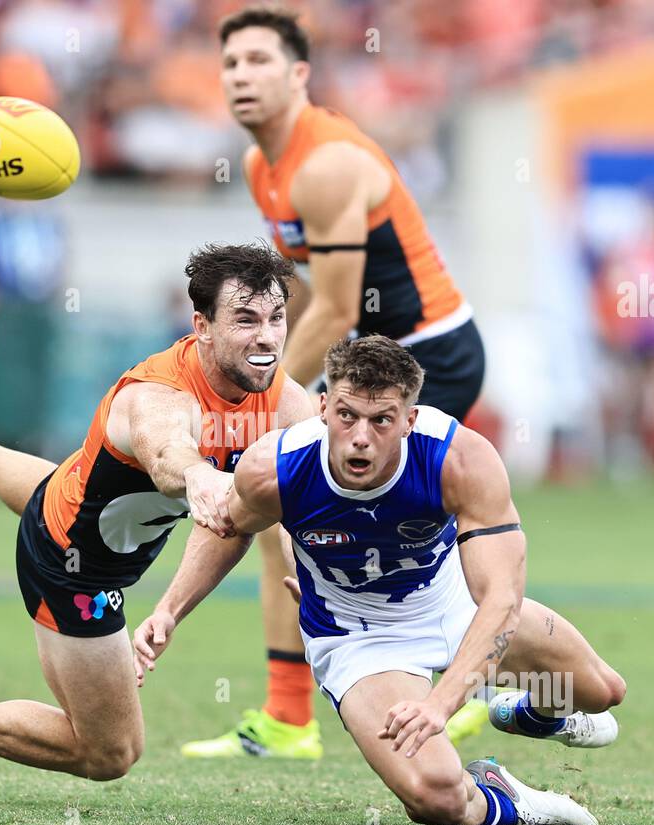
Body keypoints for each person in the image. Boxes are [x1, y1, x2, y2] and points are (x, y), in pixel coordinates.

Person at [0, 242, 313, 801]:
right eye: (245, 319)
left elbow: (272, 516)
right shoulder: (156, 396)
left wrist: (172, 611)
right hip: (73, 572)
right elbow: (170, 456)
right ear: (203, 327)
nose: (266, 337)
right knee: (110, 753)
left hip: (76, 502)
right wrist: (203, 479)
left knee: (63, 489)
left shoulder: (285, 402)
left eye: (276, 318)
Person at [135, 336, 626, 825]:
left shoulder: (459, 459)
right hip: (359, 639)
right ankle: (502, 794)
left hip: (452, 602)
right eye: (347, 415)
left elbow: (500, 599)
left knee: (602, 692)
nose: (361, 437)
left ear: (409, 421)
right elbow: (231, 525)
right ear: (323, 408)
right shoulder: (275, 466)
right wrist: (168, 611)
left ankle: (527, 715)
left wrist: (442, 703)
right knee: (439, 801)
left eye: (382, 420)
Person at [183, 5, 487, 759]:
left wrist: (255, 384)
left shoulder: (324, 166)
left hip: (426, 357)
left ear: (298, 75)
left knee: (405, 525)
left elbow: (343, 307)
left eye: (259, 61)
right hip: (362, 360)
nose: (241, 76)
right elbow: (317, 300)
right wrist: (266, 369)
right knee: (278, 506)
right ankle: (289, 717)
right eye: (230, 64)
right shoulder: (263, 166)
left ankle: (467, 684)